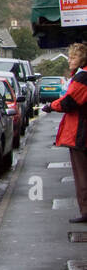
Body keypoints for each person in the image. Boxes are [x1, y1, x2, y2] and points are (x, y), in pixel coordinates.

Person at [47, 42, 87, 224]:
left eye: (74, 57)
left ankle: (86, 211)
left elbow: (69, 102)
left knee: (82, 174)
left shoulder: (82, 78)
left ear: (82, 59)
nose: (70, 61)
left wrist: (50, 106)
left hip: (81, 132)